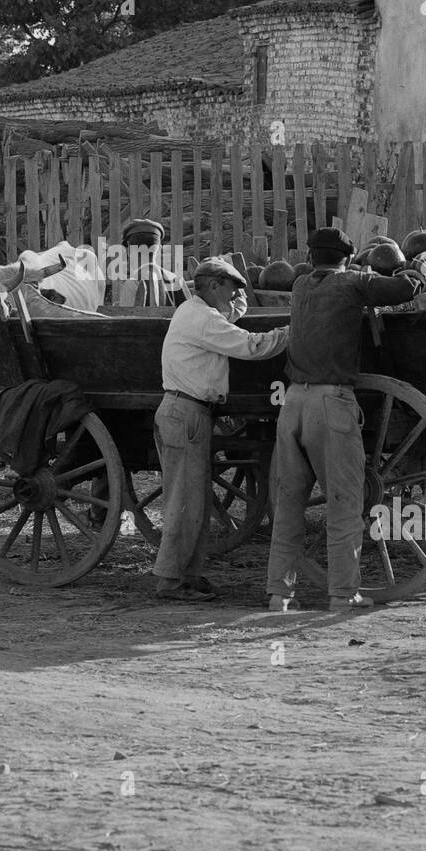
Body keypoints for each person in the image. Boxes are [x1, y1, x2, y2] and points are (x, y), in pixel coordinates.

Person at [266, 228, 425, 613]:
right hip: (330, 403)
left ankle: (278, 595)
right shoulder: (352, 282)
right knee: (344, 502)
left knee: (288, 504)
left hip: (292, 403)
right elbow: (403, 290)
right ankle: (341, 594)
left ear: (311, 255)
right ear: (347, 258)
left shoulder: (301, 284)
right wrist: (415, 273)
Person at [153, 257, 289, 602]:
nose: (234, 298)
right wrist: (296, 329)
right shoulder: (201, 319)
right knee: (184, 501)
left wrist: (238, 293)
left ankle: (188, 575)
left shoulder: (199, 312)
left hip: (189, 414)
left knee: (194, 501)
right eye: (230, 289)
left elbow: (230, 314)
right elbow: (250, 346)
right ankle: (170, 582)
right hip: (186, 414)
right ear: (213, 286)